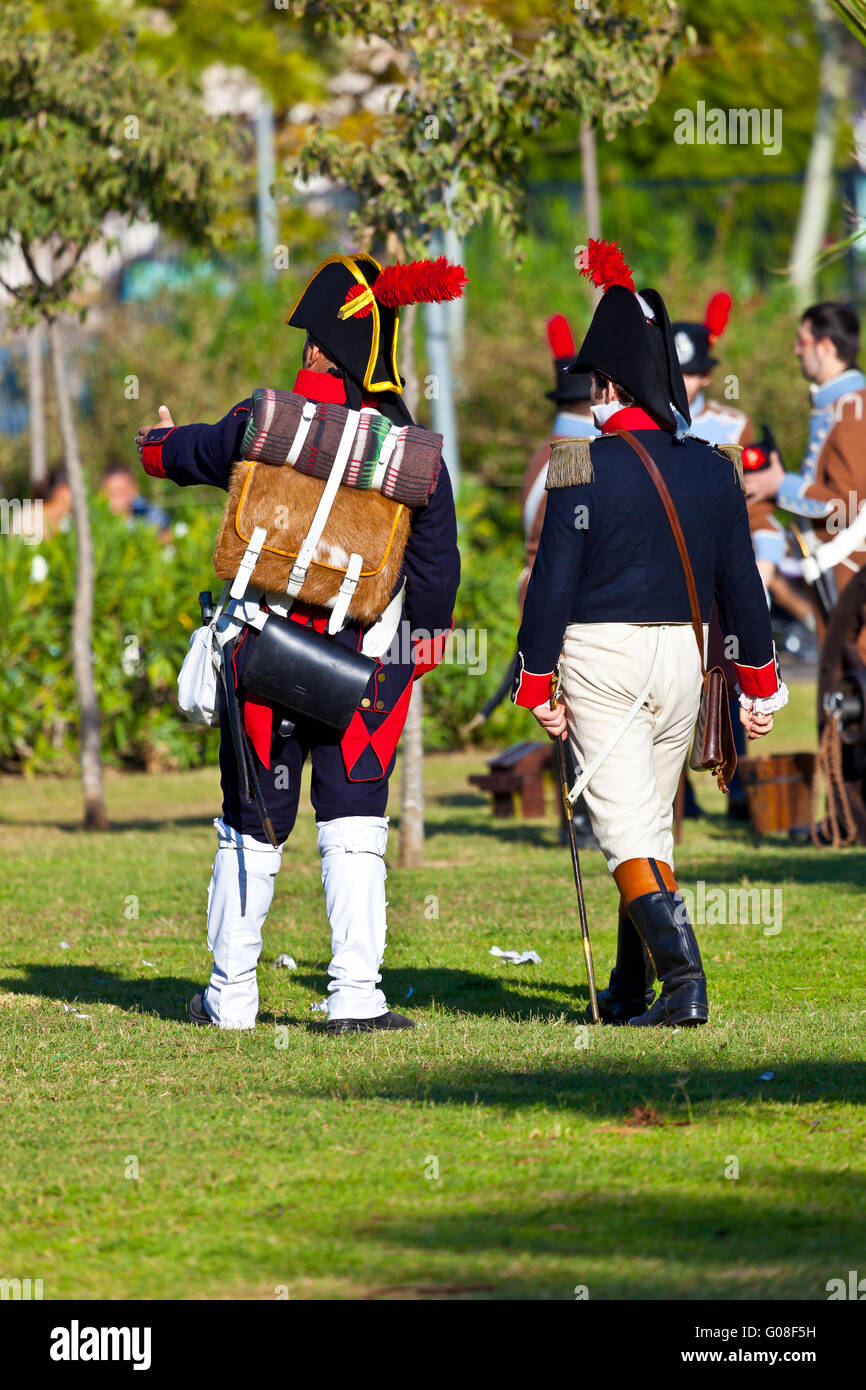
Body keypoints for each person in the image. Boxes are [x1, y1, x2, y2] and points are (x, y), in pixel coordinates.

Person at [135, 252, 462, 1034]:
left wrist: (158, 440)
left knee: (250, 825)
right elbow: (437, 579)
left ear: (322, 349)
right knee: (353, 832)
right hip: (365, 669)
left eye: (309, 339)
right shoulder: (414, 456)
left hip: (261, 662)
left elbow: (179, 454)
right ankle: (355, 998)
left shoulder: (264, 422)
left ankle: (232, 997)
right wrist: (400, 674)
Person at [512, 239, 787, 1028]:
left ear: (610, 384)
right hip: (685, 659)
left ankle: (685, 980)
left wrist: (536, 683)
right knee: (650, 822)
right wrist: (759, 686)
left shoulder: (574, 463)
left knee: (624, 825)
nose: (588, 396)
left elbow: (551, 588)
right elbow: (743, 585)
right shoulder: (713, 466)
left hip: (602, 657)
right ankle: (634, 988)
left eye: (594, 384)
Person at [519, 314, 599, 848]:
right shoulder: (581, 457)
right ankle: (586, 816)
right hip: (575, 594)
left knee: (562, 709)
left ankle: (579, 813)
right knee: (581, 711)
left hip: (539, 590)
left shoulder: (539, 454)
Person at [744, 302, 866, 613]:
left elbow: (848, 505)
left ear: (825, 347)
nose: (797, 350)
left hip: (849, 574)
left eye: (802, 341)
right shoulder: (837, 403)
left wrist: (780, 484)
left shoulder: (852, 408)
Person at [101, 462, 171, 537]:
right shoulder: (97, 523)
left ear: (135, 490)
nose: (118, 500)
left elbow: (166, 537)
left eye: (122, 492)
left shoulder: (151, 514)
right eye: (113, 494)